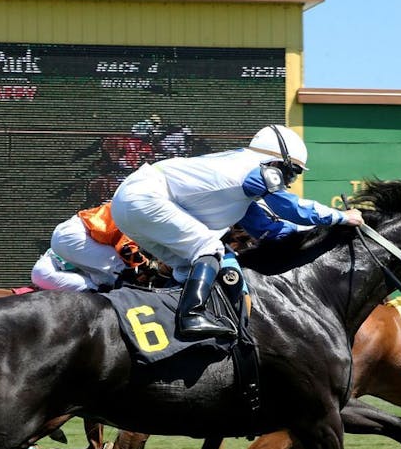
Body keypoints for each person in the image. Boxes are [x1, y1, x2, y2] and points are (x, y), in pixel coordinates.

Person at [110, 124, 364, 341]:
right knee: (210, 248)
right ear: (277, 161)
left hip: (128, 205)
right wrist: (340, 217)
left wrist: (318, 233)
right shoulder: (259, 170)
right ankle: (191, 316)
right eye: (292, 171)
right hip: (144, 198)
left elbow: (269, 229)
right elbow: (291, 208)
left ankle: (167, 321)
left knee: (189, 267)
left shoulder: (240, 182)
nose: (290, 180)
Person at [32, 202, 148, 292]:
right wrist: (146, 266)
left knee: (110, 277)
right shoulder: (137, 213)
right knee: (123, 270)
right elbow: (126, 248)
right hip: (74, 237)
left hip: (64, 236)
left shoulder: (128, 205)